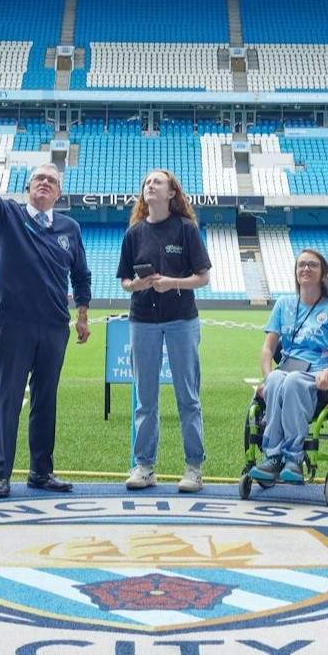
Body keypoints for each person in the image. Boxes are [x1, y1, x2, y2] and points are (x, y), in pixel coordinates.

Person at [0, 125, 91, 499]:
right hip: (14, 324)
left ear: (59, 192)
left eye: (51, 181)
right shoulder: (7, 214)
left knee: (45, 401)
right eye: (38, 178)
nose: (44, 183)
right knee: (8, 398)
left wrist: (83, 315)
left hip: (55, 326)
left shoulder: (69, 227)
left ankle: (41, 471)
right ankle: (1, 474)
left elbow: (82, 274)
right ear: (28, 188)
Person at [117, 169, 211, 493]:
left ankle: (194, 467)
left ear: (172, 192)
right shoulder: (134, 233)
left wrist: (172, 283)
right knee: (145, 398)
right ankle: (144, 466)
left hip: (181, 320)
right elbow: (125, 281)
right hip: (142, 319)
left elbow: (203, 277)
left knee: (188, 396)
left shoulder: (186, 229)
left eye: (157, 182)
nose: (150, 185)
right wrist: (138, 284)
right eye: (146, 182)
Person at [251, 249, 328, 484]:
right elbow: (267, 349)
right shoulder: (284, 304)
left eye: (312, 265)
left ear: (323, 272)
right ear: (295, 272)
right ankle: (273, 457)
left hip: (320, 371)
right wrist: (266, 377)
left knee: (293, 380)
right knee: (276, 379)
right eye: (301, 265)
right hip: (287, 369)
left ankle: (293, 458)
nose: (305, 269)